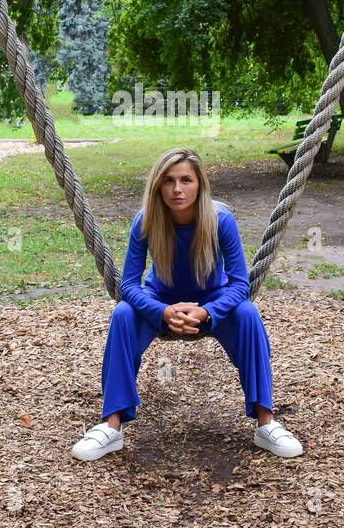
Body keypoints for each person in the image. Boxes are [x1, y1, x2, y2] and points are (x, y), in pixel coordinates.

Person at [71, 146, 303, 461]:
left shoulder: (221, 220)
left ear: (200, 184)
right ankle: (111, 426)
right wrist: (162, 311)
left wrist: (208, 311)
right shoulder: (146, 221)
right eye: (168, 181)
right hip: (160, 301)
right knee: (123, 314)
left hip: (211, 301)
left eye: (186, 180)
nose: (177, 189)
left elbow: (239, 284)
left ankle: (266, 422)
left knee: (247, 313)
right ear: (157, 186)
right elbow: (128, 284)